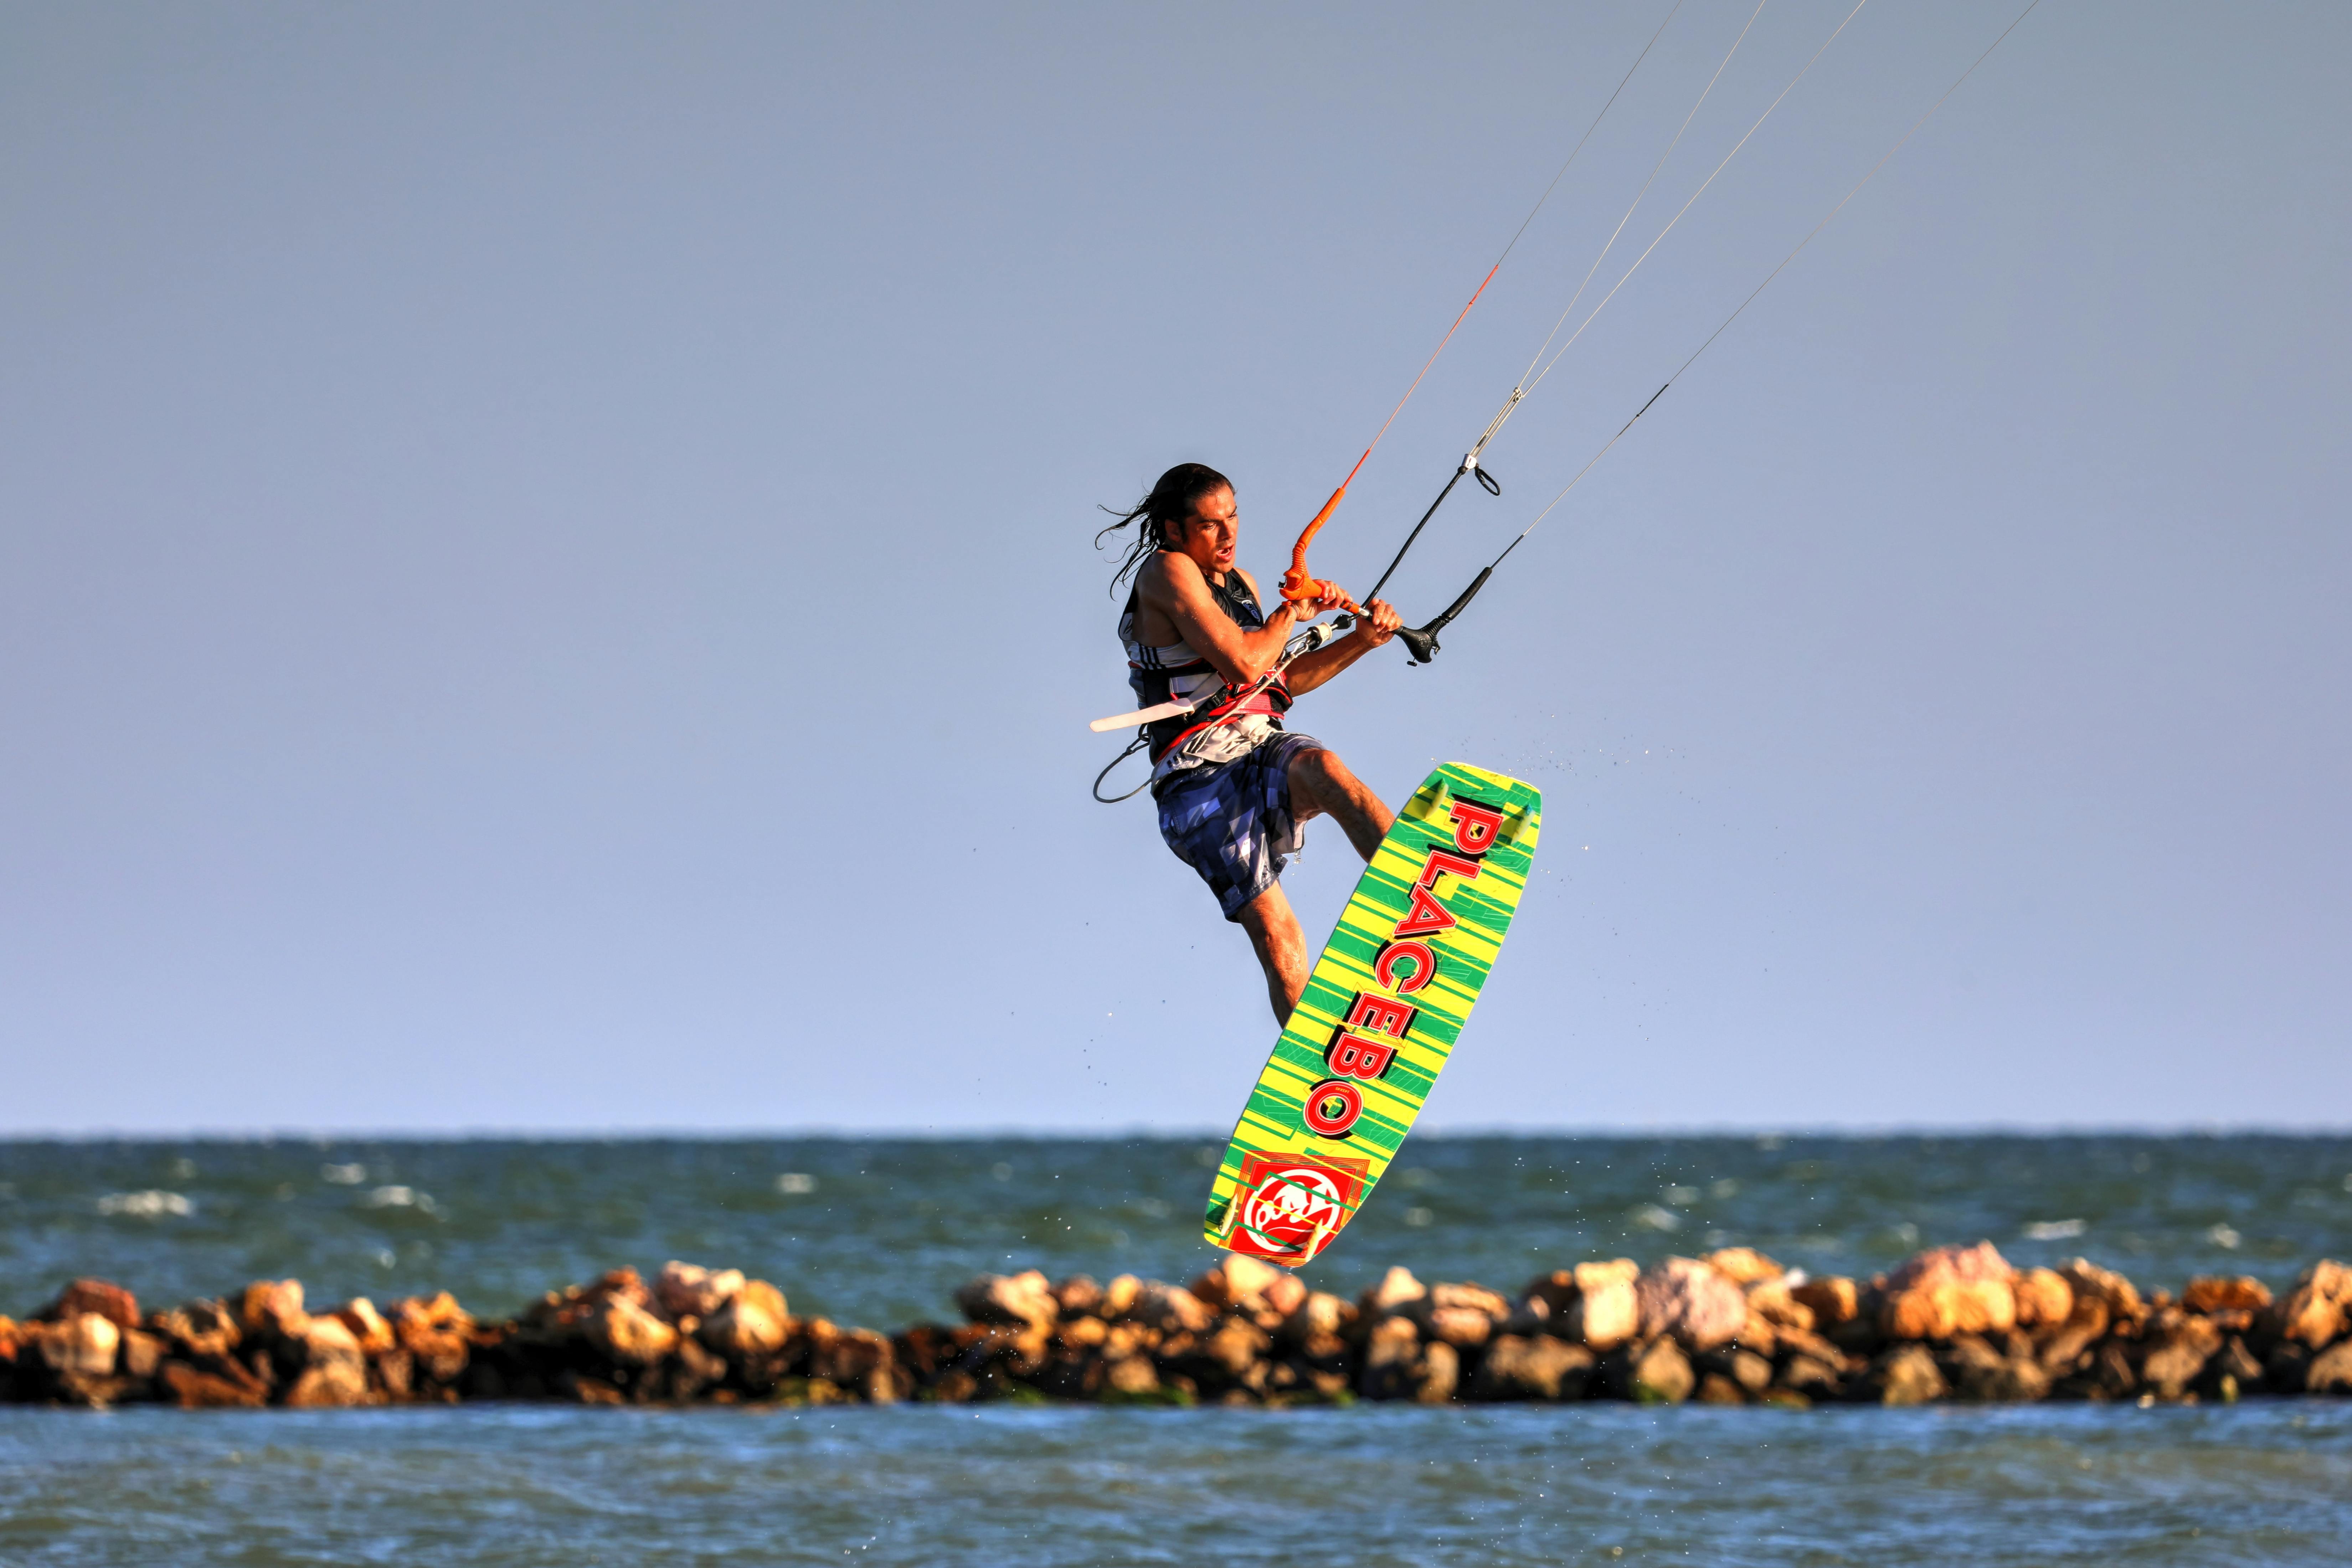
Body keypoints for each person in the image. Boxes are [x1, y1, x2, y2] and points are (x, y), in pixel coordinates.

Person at [1100, 462, 1404, 1024]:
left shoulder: (1241, 586)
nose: (1229, 534)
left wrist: (1361, 641)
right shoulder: (1167, 572)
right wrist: (1293, 612)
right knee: (1276, 931)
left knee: (1323, 768)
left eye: (1233, 517)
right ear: (1174, 530)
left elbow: (1278, 681)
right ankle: (1315, 1058)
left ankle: (1415, 886)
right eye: (1211, 525)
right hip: (1194, 777)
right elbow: (1243, 663)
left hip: (1255, 744)